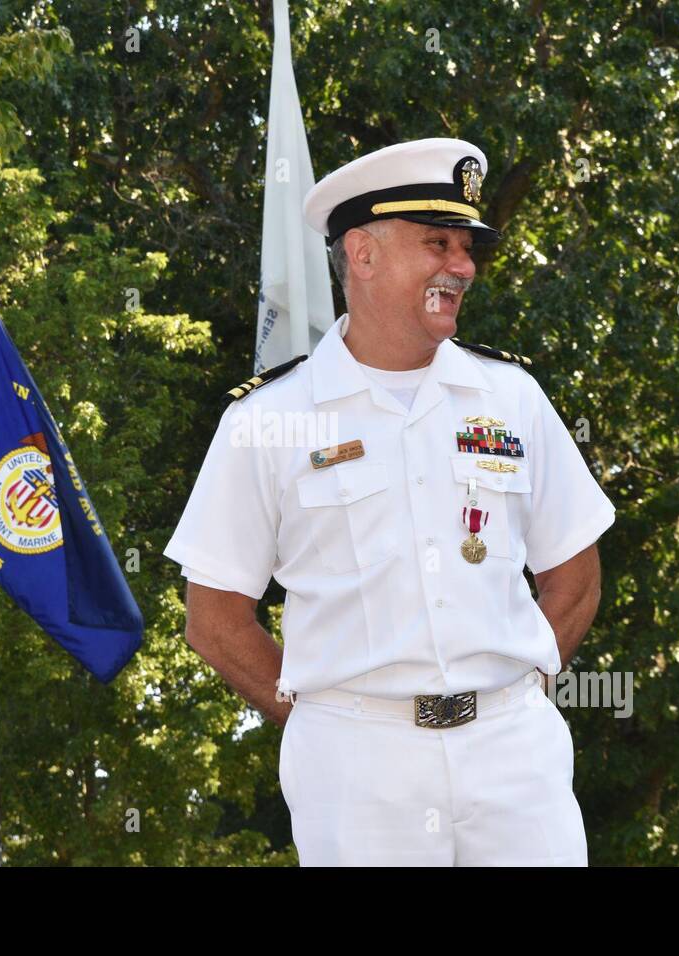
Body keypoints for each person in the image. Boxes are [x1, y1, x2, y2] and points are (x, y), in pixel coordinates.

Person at [163, 138, 615, 865]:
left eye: (466, 249)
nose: (462, 267)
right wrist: (329, 719)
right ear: (362, 255)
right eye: (438, 243)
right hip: (357, 772)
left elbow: (576, 576)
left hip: (514, 756)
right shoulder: (267, 420)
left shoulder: (513, 397)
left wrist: (512, 687)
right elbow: (213, 621)